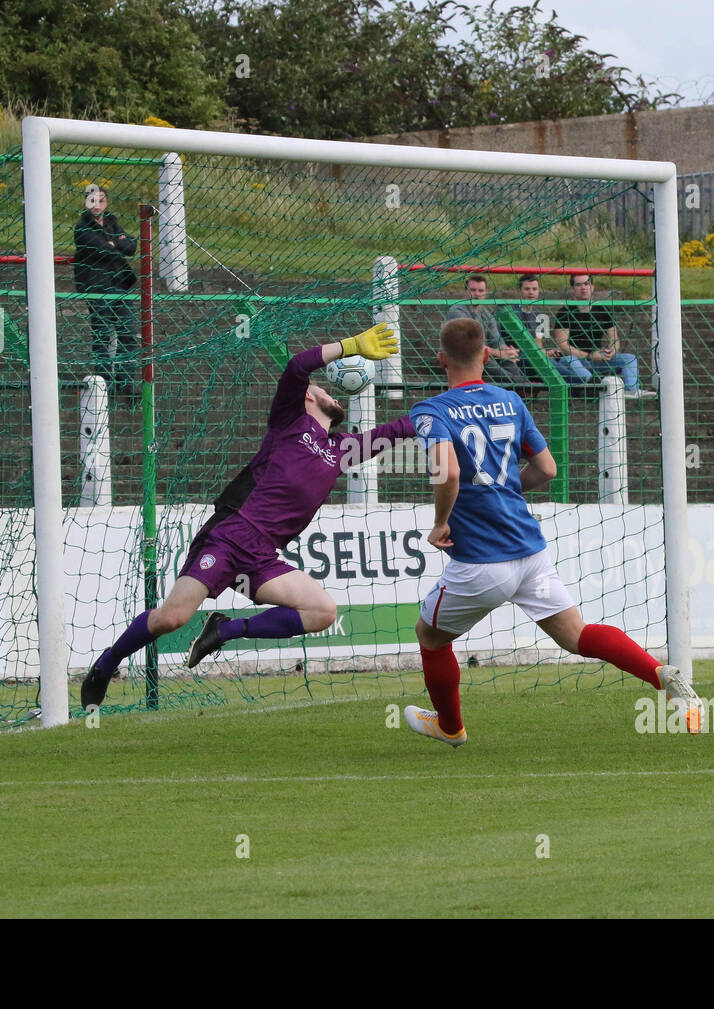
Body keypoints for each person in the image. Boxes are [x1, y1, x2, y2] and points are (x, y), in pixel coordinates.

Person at [400, 317, 700, 746]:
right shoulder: (509, 400)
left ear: (441, 359)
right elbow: (547, 469)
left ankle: (450, 726)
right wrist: (504, 485)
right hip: (530, 551)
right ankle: (660, 674)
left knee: (429, 635)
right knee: (577, 635)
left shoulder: (431, 410)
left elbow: (446, 471)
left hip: (481, 560)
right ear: (486, 355)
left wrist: (441, 521)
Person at [80, 323, 411, 708]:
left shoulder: (342, 450)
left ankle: (224, 630)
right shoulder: (290, 420)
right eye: (324, 389)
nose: (330, 392)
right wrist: (350, 346)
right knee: (172, 618)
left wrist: (444, 410)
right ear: (308, 397)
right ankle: (106, 664)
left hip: (261, 556)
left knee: (322, 612)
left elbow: (398, 429)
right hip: (230, 534)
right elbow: (296, 367)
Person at [74, 184, 140, 393]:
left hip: (119, 284)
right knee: (102, 334)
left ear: (106, 202)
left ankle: (125, 381)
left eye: (101, 200)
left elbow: (131, 246)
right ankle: (103, 382)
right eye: (92, 200)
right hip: (96, 286)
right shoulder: (82, 227)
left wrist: (115, 243)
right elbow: (103, 250)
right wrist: (116, 243)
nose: (96, 204)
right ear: (86, 202)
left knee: (128, 333)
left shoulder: (112, 223)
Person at [553, 273, 654, 397]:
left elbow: (614, 339)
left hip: (598, 359)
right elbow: (563, 345)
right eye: (578, 285)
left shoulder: (602, 310)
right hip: (576, 360)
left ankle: (631, 392)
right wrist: (590, 356)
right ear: (572, 289)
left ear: (593, 287)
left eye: (586, 284)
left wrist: (611, 350)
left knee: (629, 358)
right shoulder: (564, 312)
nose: (583, 287)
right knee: (570, 360)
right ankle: (593, 388)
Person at [443, 275, 525, 386]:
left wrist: (508, 351)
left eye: (480, 290)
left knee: (509, 360)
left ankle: (522, 386)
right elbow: (468, 346)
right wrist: (500, 353)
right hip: (462, 357)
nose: (476, 294)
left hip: (484, 354)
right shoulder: (457, 311)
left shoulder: (485, 313)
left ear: (485, 293)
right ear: (466, 291)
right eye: (473, 290)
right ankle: (524, 386)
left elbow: (496, 341)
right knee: (487, 359)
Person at [510, 274, 592, 384]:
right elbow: (524, 345)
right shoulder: (511, 310)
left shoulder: (541, 316)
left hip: (536, 357)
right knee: (545, 363)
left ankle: (580, 382)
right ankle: (581, 381)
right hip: (518, 357)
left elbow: (538, 344)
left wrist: (547, 353)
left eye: (534, 289)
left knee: (558, 360)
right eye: (527, 289)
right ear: (519, 291)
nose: (531, 292)